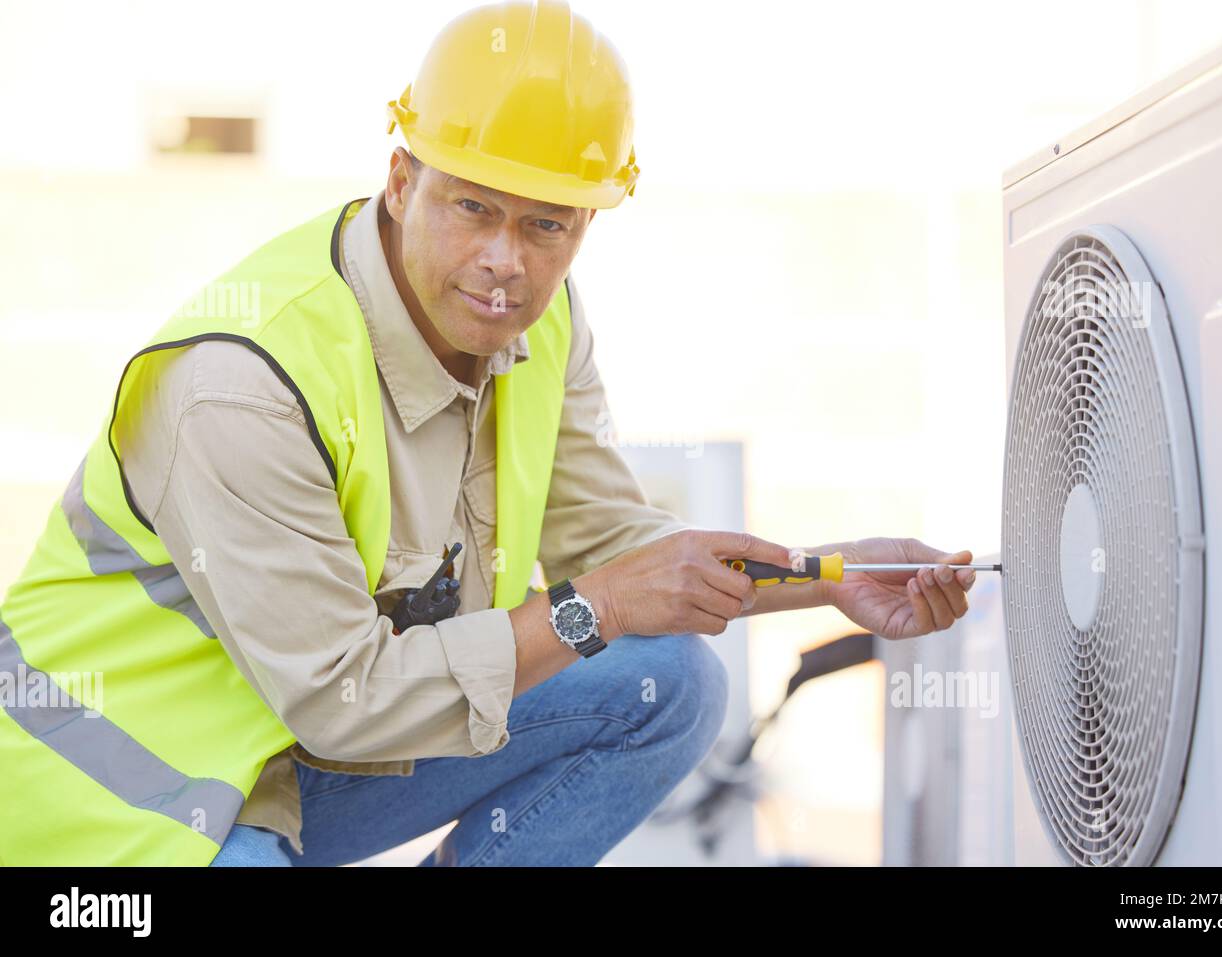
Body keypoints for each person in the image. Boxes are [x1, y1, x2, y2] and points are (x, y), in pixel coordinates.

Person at [0, 0, 977, 867]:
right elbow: (350, 699)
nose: (504, 262)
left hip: (292, 757)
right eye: (473, 207)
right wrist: (591, 609)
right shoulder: (242, 383)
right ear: (400, 179)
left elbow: (616, 554)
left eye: (548, 225)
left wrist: (832, 577)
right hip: (116, 802)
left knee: (666, 683)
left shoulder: (539, 325)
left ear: (587, 224)